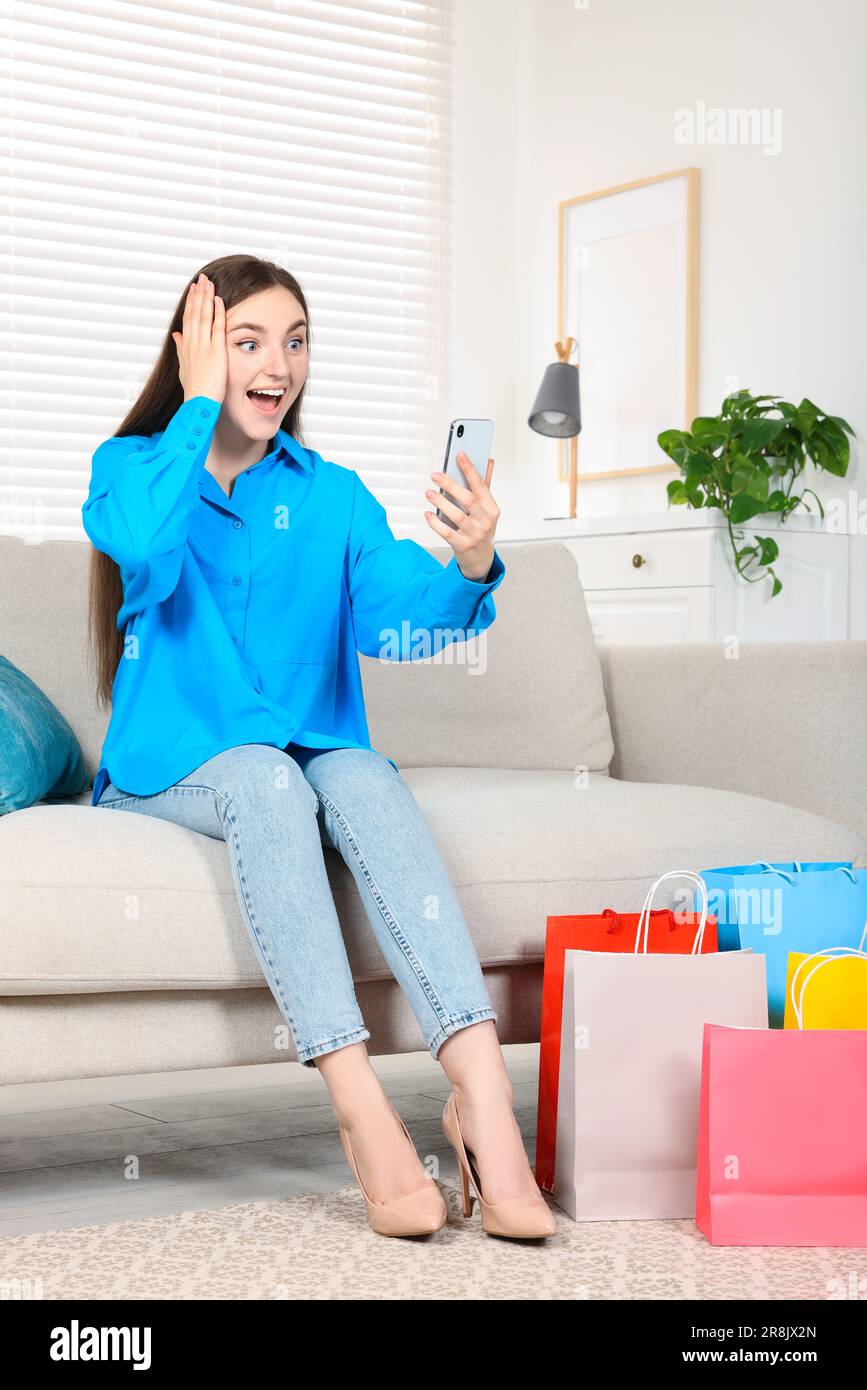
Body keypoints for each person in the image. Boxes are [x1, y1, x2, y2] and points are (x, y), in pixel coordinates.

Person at [82, 254, 555, 1240]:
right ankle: (358, 1103)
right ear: (197, 352)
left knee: (361, 772)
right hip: (170, 767)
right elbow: (141, 540)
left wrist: (470, 565)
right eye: (247, 340)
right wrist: (196, 408)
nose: (278, 363)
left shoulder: (330, 496)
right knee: (265, 773)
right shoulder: (134, 468)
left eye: (294, 341)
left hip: (300, 754)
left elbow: (405, 619)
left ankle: (481, 1100)